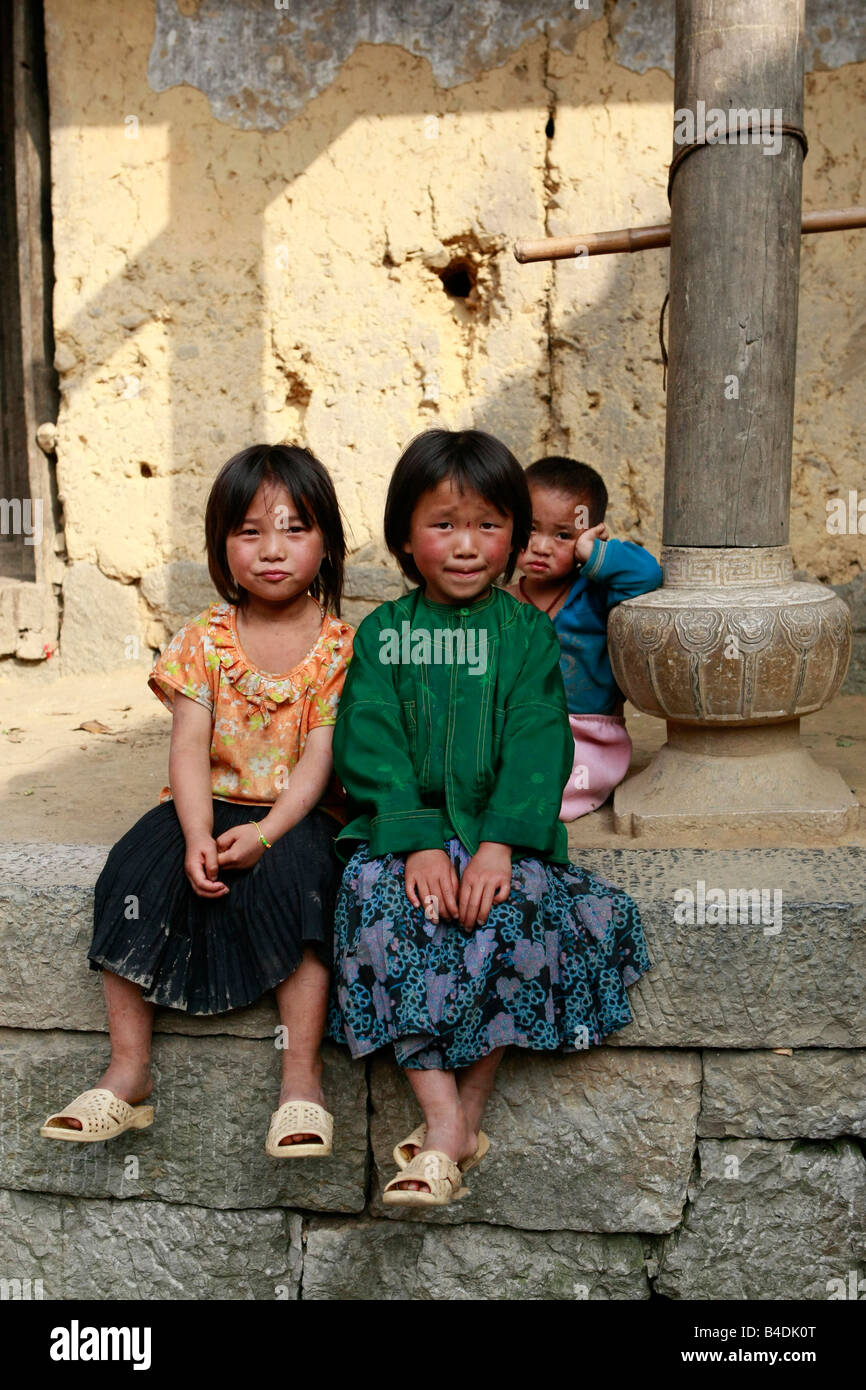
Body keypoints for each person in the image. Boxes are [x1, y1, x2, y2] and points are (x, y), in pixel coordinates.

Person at [326, 428, 651, 1207]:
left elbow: (539, 743)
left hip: (502, 834)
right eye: (443, 524)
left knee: (517, 914)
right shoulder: (384, 635)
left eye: (488, 524)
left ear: (512, 534)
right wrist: (412, 845)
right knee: (377, 909)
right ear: (406, 537)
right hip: (406, 838)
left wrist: (500, 844)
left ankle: (452, 1131)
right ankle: (448, 1123)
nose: (467, 546)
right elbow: (369, 741)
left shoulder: (527, 635)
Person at [40, 444, 353, 1158]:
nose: (272, 550)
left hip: (294, 815)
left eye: (294, 528)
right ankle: (127, 1072)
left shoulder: (340, 650)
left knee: (309, 892)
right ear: (221, 545)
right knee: (130, 873)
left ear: (327, 542)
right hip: (206, 803)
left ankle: (300, 1082)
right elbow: (186, 747)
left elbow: (319, 756)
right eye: (249, 531)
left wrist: (270, 833)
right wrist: (194, 832)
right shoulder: (203, 641)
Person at [507, 456, 662, 820]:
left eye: (563, 535)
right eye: (530, 529)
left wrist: (595, 554)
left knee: (552, 790)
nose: (541, 546)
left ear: (589, 534)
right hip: (519, 728)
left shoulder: (592, 593)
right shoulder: (504, 601)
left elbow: (649, 574)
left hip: (585, 736)